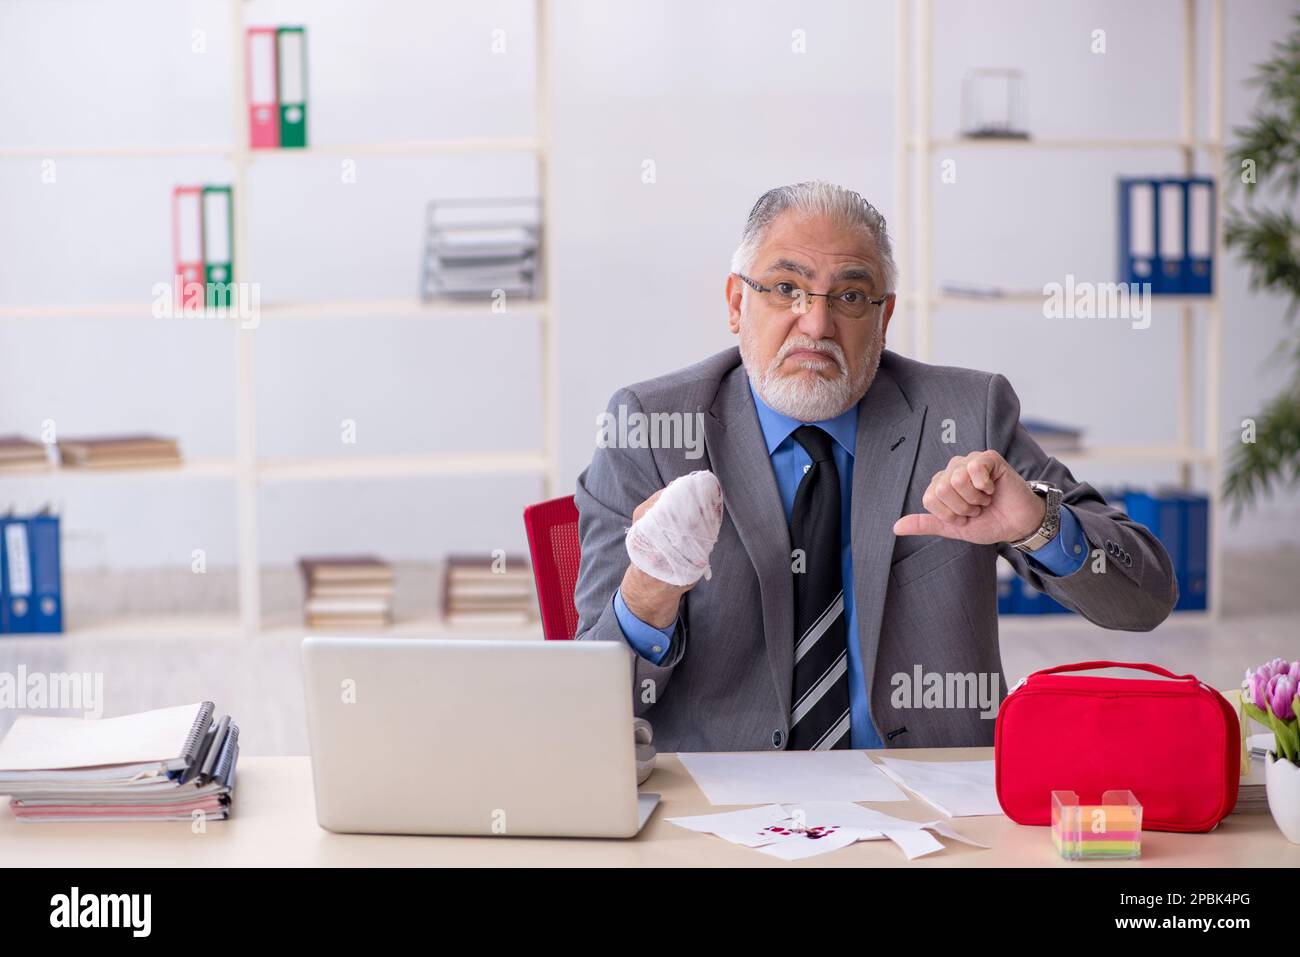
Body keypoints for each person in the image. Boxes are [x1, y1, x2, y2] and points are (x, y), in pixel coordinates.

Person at [574, 181, 1177, 752]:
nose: (816, 323)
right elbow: (582, 709)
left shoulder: (966, 416)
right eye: (786, 288)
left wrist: (1037, 526)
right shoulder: (650, 429)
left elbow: (1145, 599)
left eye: (851, 296)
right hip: (722, 811)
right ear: (737, 303)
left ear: (884, 319)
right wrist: (649, 590)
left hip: (933, 809)